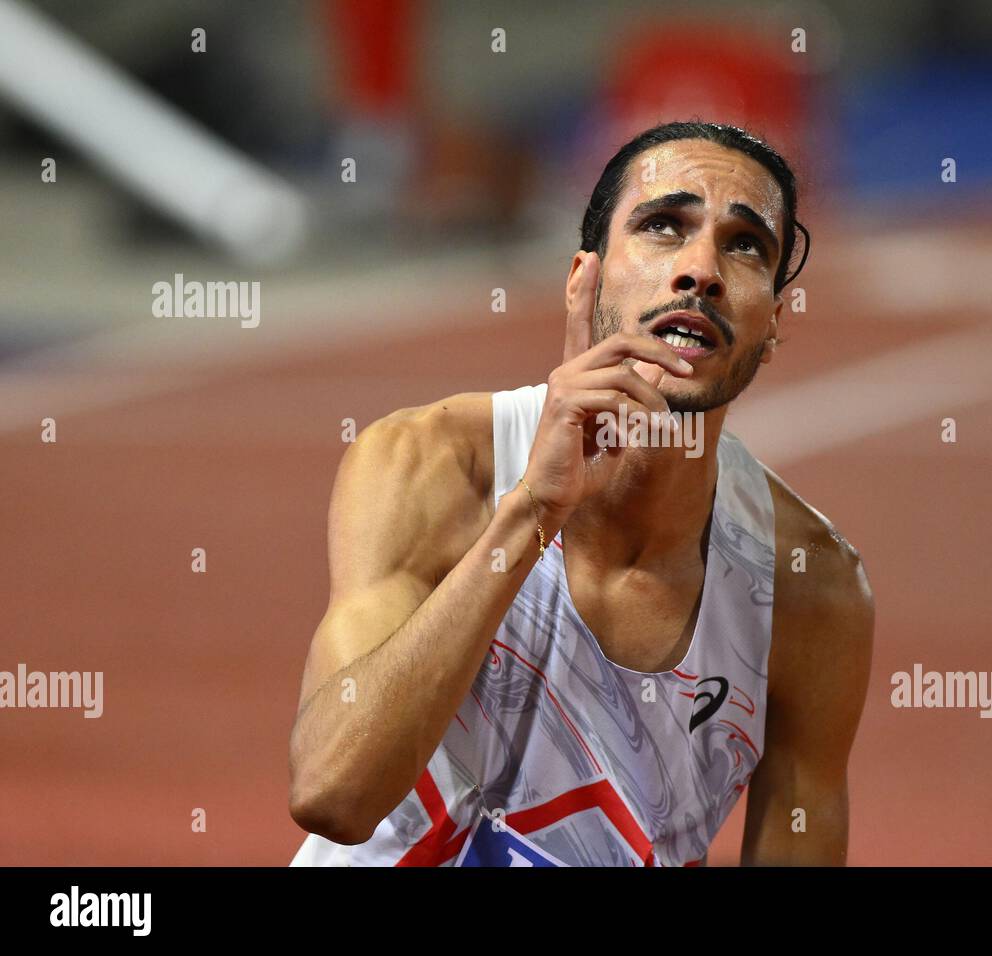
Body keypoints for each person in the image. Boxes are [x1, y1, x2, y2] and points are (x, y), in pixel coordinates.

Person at [288, 121, 875, 866]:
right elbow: (334, 794)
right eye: (664, 226)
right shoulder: (429, 465)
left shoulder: (812, 590)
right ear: (582, 281)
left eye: (745, 244)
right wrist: (534, 509)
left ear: (773, 324)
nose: (701, 269)